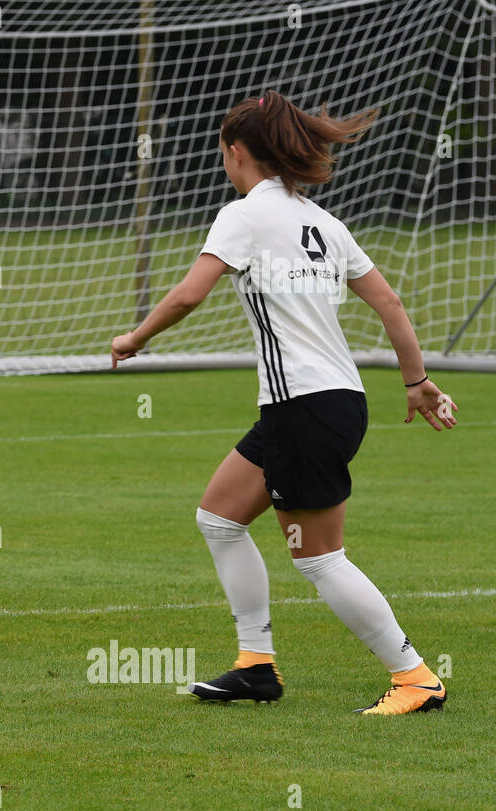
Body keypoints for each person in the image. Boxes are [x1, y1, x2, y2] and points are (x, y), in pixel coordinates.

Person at [110, 89, 457, 715]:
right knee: (218, 518)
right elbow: (390, 304)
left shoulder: (242, 215)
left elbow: (189, 295)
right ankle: (255, 667)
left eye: (223, 150)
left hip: (304, 406)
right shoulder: (324, 221)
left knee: (321, 558)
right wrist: (415, 381)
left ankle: (415, 678)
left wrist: (135, 337)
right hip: (332, 400)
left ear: (236, 151)